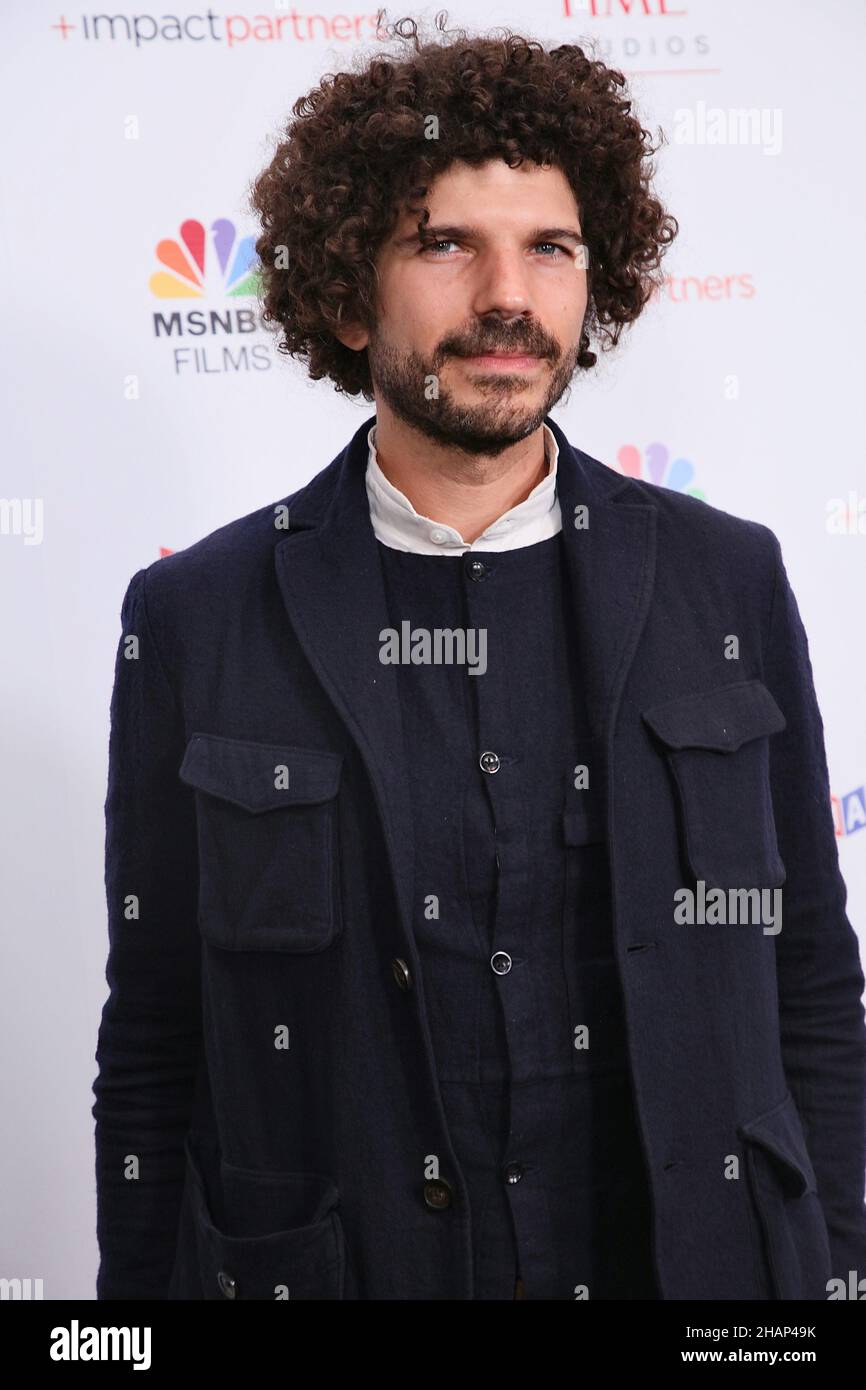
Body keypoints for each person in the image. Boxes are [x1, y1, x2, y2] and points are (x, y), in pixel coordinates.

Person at [92, 17, 866, 1300]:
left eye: (548, 248)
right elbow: (158, 1030)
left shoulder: (725, 577)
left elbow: (807, 981)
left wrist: (832, 1273)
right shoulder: (197, 615)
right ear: (345, 289)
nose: (507, 294)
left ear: (590, 282)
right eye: (446, 243)